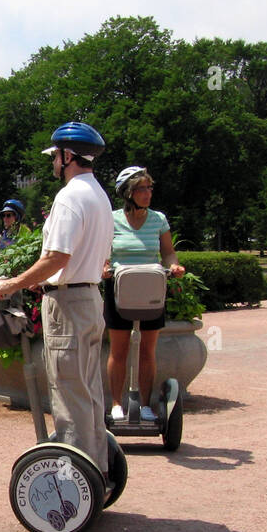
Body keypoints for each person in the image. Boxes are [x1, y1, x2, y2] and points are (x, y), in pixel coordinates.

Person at [0, 122, 113, 479]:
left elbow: (57, 257)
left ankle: (73, 481)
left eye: (55, 157)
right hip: (89, 299)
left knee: (69, 394)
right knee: (89, 392)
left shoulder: (70, 196)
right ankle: (98, 470)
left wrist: (13, 282)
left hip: (68, 304)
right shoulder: (100, 195)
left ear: (67, 155)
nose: (52, 163)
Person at [103, 165, 184, 424]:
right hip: (119, 287)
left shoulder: (158, 219)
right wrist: (104, 266)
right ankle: (116, 404)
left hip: (150, 287)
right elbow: (102, 252)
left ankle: (146, 405)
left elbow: (168, 251)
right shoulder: (111, 220)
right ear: (128, 193)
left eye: (150, 188)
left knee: (148, 350)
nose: (148, 193)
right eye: (141, 189)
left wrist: (173, 265)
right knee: (119, 350)